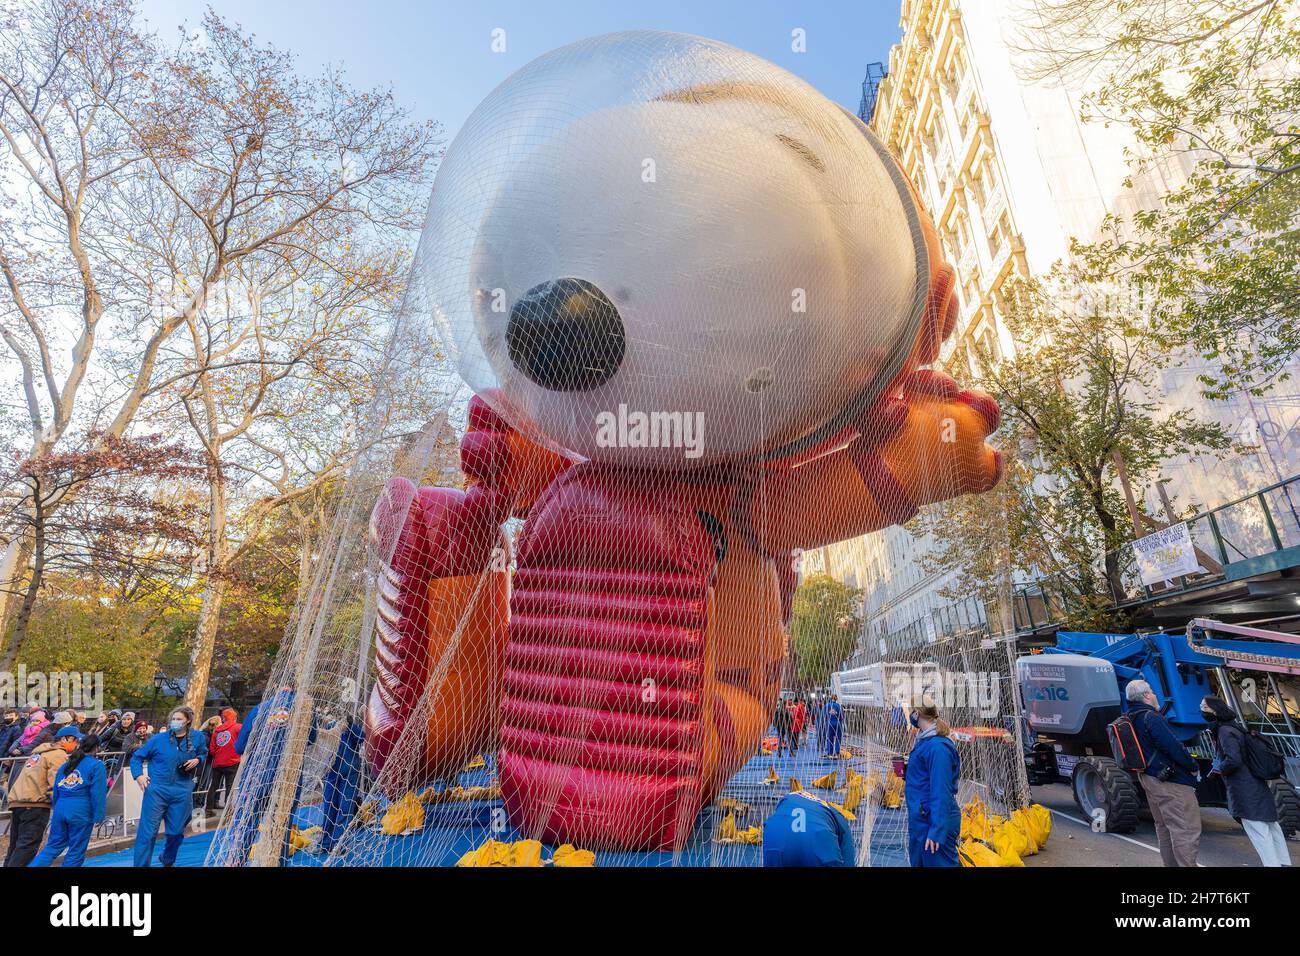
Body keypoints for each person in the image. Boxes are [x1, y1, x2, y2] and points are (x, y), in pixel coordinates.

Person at [1201, 695, 1291, 867]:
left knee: (1258, 831)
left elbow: (1233, 759)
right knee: (1271, 826)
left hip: (1243, 787)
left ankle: (1272, 864)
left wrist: (1219, 769)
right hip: (1256, 783)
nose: (1201, 710)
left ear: (1215, 711)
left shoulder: (1224, 731)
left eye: (1204, 707)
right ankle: (1283, 863)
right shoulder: (1236, 728)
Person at [1126, 680, 1201, 867]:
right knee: (1185, 829)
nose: (1154, 695)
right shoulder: (1150, 716)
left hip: (1148, 777)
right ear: (1145, 696)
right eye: (1151, 691)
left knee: (1164, 827)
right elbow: (1172, 746)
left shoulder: (1130, 717)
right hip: (1170, 781)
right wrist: (1192, 765)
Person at [130, 705, 208, 867]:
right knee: (147, 833)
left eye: (179, 719)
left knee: (175, 832)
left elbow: (203, 752)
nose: (175, 722)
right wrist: (139, 775)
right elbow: (137, 757)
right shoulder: (158, 740)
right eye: (173, 719)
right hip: (157, 791)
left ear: (188, 721)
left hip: (182, 790)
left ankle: (167, 858)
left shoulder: (198, 737)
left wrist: (198, 760)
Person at [29, 731, 106, 867]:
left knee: (52, 847)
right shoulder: (96, 765)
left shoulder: (66, 765)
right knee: (76, 850)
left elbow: (56, 790)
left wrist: (57, 806)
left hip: (61, 807)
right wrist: (99, 815)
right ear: (97, 748)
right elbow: (98, 793)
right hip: (81, 809)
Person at [4, 725, 77, 866]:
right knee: (26, 846)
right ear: (65, 739)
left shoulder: (39, 753)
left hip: (19, 800)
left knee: (15, 845)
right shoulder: (58, 754)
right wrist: (60, 805)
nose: (77, 744)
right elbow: (55, 782)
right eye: (75, 740)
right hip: (35, 803)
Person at [904, 702, 960, 867]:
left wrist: (937, 830)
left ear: (917, 714)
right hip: (921, 819)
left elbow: (941, 790)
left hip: (933, 821)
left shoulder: (938, 748)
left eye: (911, 711)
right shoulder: (924, 741)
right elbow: (925, 778)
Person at [762, 788, 856, 866]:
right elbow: (848, 859)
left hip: (775, 833)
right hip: (817, 838)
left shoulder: (788, 798)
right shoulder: (838, 816)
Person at [205, 708, 242, 815]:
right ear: (234, 717)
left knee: (214, 785)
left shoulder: (217, 730)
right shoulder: (238, 727)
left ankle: (208, 809)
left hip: (218, 762)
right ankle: (228, 810)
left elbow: (212, 749)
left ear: (224, 718)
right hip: (232, 760)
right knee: (229, 786)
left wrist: (219, 755)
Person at [823, 694, 844, 758]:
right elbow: (842, 716)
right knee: (838, 738)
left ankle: (830, 753)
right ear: (836, 699)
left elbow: (824, 716)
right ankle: (837, 753)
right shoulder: (839, 706)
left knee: (830, 738)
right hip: (837, 723)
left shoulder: (826, 706)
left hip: (829, 723)